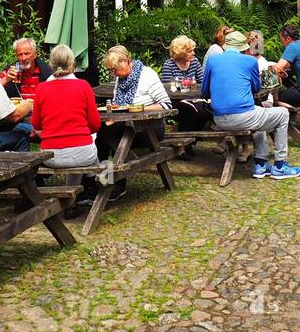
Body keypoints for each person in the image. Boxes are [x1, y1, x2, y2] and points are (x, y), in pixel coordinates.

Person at [202, 30, 300, 180]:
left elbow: (204, 90)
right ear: (244, 47)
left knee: (258, 113)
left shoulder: (213, 60)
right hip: (242, 116)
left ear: (226, 46)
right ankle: (280, 166)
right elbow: (256, 88)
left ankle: (261, 165)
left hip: (219, 119)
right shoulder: (250, 61)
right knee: (283, 114)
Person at [30, 44, 105, 218]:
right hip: (82, 153)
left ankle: (71, 201)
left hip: (51, 156)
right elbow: (95, 125)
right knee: (94, 156)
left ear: (51, 64)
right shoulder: (83, 86)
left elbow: (36, 124)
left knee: (75, 152)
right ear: (72, 64)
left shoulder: (42, 88)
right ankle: (100, 188)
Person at [97, 45, 172, 199]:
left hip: (150, 128)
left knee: (105, 133)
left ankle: (114, 182)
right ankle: (104, 183)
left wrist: (138, 109)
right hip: (126, 126)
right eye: (111, 70)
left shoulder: (147, 75)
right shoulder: (121, 78)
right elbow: (120, 106)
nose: (113, 73)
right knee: (101, 132)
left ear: (126, 61)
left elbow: (166, 105)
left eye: (115, 69)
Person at [159, 34, 211, 135]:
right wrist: (190, 83)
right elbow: (169, 89)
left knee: (206, 111)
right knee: (189, 112)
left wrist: (181, 84)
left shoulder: (195, 62)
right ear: (181, 53)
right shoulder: (169, 65)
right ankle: (185, 144)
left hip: (195, 99)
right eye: (190, 51)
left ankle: (191, 139)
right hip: (175, 101)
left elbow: (202, 83)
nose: (194, 53)